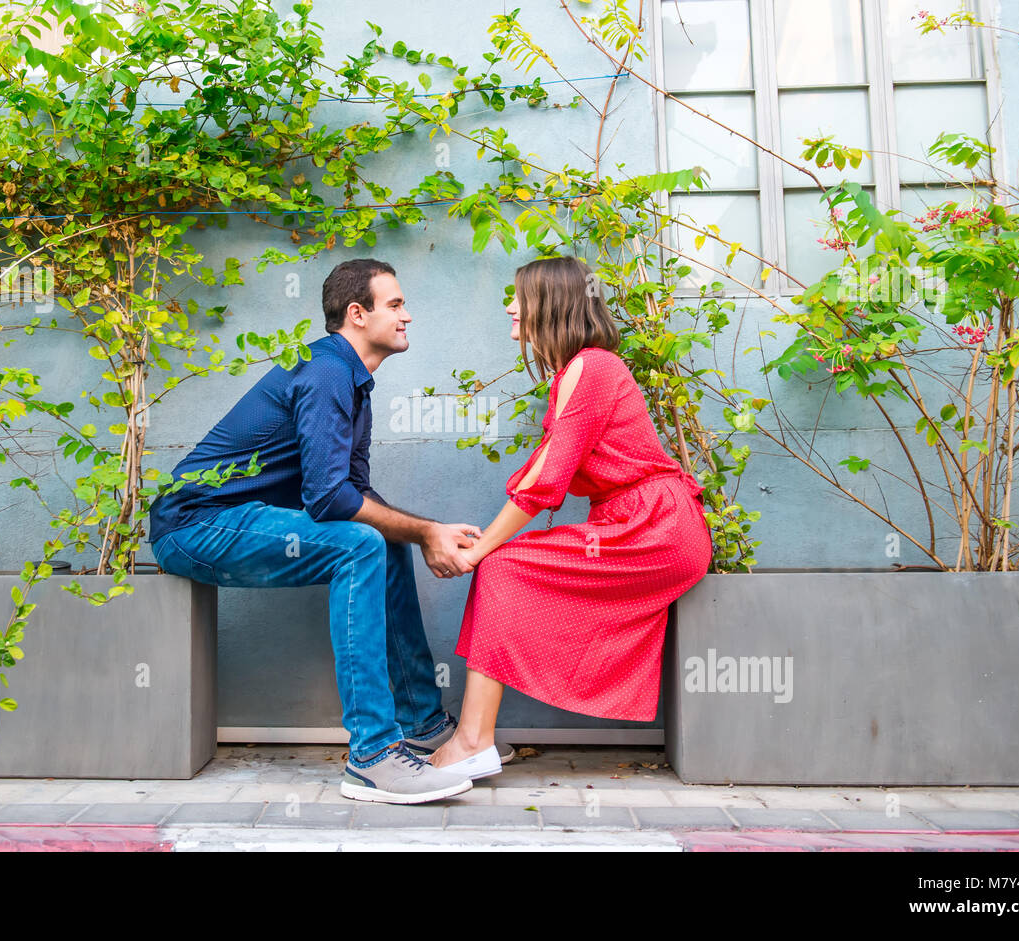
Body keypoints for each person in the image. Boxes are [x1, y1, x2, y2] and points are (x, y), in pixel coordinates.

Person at [149, 259, 496, 804]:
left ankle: (422, 726)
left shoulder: (351, 380)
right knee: (361, 544)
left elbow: (353, 490)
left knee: (382, 539)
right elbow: (330, 500)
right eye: (396, 305)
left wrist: (427, 533)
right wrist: (427, 530)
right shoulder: (327, 372)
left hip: (239, 522)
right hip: (195, 525)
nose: (408, 316)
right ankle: (373, 756)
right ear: (357, 315)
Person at [428, 255, 714, 780]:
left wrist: (480, 549)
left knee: (503, 568)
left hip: (655, 527)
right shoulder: (576, 372)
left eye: (519, 297)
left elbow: (545, 482)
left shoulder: (594, 367)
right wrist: (483, 546)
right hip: (637, 523)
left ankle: (472, 740)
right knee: (504, 568)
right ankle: (473, 737)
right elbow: (543, 467)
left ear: (550, 304)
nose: (511, 308)